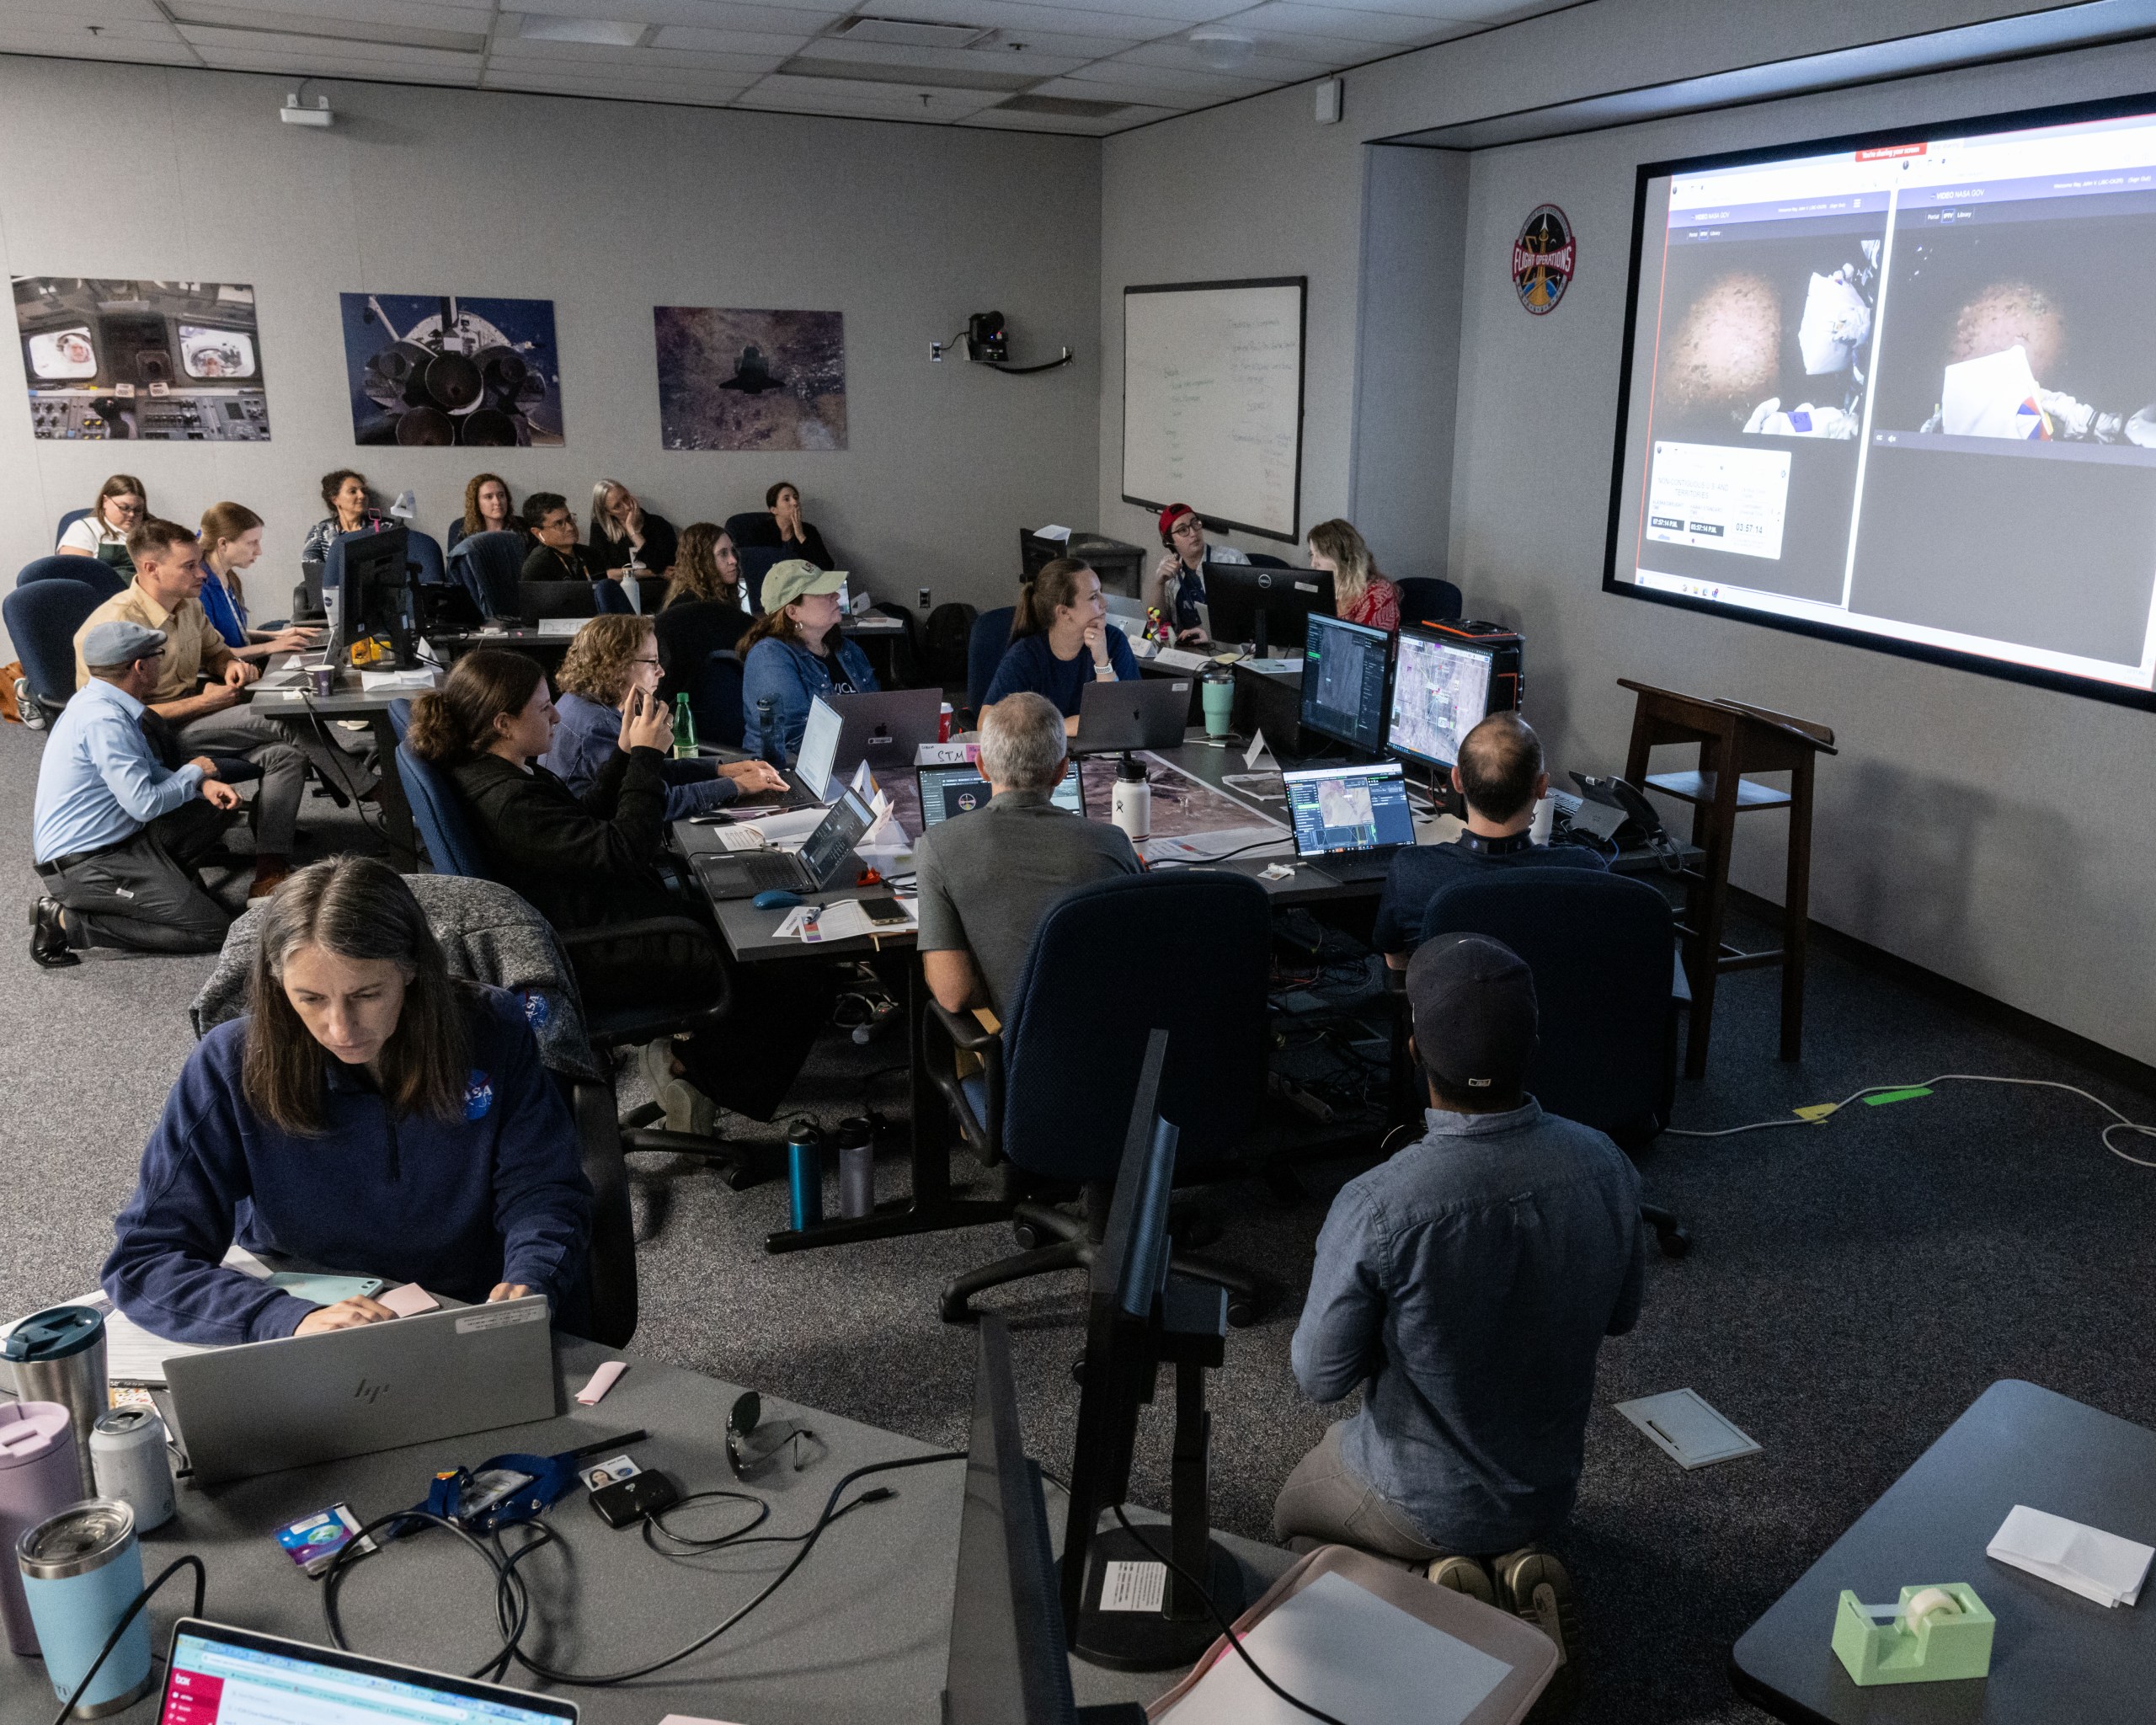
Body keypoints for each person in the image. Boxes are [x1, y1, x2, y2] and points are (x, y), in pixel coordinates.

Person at [1275, 932, 1642, 1698]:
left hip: (1418, 1497)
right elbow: (1621, 1314)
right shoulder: (1606, 1162)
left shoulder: (1379, 1203)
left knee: (1291, 1521)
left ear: (1414, 1050)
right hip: (1548, 1490)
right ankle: (1512, 1566)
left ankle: (1428, 1584)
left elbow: (1319, 1377)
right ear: (1533, 1044)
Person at [101, 857, 594, 1344]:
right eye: (311, 998)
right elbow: (145, 1258)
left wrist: (532, 1276)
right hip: (308, 1296)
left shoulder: (493, 1027)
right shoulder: (230, 1062)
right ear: (278, 983)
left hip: (466, 1301)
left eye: (366, 995)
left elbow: (542, 1188)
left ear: (410, 969)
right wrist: (284, 1318)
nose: (340, 1030)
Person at [407, 651, 822, 1122]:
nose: (557, 715)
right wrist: (646, 757)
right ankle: (698, 1081)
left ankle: (697, 1067)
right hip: (594, 948)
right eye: (543, 708)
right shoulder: (510, 802)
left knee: (749, 925)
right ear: (503, 723)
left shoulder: (500, 768)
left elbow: (582, 821)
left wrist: (625, 753)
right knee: (790, 965)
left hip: (591, 916)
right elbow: (624, 851)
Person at [72, 518, 366, 898]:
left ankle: (269, 869)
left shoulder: (188, 605)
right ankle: (371, 790)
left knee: (285, 756)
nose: (202, 574)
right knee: (280, 719)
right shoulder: (112, 627)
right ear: (151, 568)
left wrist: (230, 666)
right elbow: (114, 719)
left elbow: (217, 653)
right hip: (151, 740)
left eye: (199, 563)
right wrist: (203, 701)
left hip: (197, 718)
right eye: (189, 566)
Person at [30, 619, 243, 964]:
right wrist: (194, 770)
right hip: (88, 866)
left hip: (121, 840)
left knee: (210, 808)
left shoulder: (101, 701)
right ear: (141, 667)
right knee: (215, 931)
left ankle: (167, 890)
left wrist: (201, 784)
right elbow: (145, 804)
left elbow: (147, 772)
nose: (162, 661)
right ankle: (67, 922)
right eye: (159, 655)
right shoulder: (104, 721)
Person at [915, 692, 1139, 1016]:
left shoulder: (938, 846)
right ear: (1062, 771)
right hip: (1124, 1037)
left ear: (982, 767)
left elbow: (954, 994)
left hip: (1029, 1046)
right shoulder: (1114, 842)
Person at [1372, 713, 1606, 964]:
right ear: (1542, 787)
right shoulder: (1586, 870)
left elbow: (1396, 962)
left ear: (1457, 780)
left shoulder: (1411, 870)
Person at [542, 615, 784, 819]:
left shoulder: (578, 702)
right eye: (652, 662)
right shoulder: (598, 726)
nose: (661, 672)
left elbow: (646, 772)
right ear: (617, 666)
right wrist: (737, 786)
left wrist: (721, 770)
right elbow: (654, 802)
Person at [739, 559, 878, 761]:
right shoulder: (768, 656)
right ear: (793, 612)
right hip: (792, 770)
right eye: (823, 593)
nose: (836, 595)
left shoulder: (847, 650)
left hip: (855, 761)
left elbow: (877, 716)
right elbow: (795, 738)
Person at [982, 558, 1138, 731]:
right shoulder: (1026, 655)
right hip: (1044, 747)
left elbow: (1131, 718)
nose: (1104, 603)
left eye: (1100, 592)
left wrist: (1102, 662)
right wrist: (1061, 728)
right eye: (1094, 597)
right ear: (1064, 612)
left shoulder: (1114, 640)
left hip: (1102, 748)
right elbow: (985, 725)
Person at [196, 502, 320, 661]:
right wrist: (270, 646)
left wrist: (277, 636)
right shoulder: (200, 588)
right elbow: (212, 654)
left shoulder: (229, 578)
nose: (259, 551)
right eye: (251, 543)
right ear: (223, 544)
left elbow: (233, 633)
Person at [1146, 502, 1247, 642]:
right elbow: (1155, 626)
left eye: (1195, 524)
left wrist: (1211, 635)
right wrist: (1159, 584)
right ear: (1169, 540)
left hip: (1225, 646)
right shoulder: (1168, 568)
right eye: (1183, 530)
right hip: (1184, 647)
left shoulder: (1232, 560)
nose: (1193, 533)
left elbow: (1248, 618)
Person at [1307, 518, 1400, 631]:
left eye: (1320, 554)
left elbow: (1362, 640)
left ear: (1344, 556)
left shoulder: (1378, 595)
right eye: (1312, 555)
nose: (1313, 564)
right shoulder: (1323, 586)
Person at [588, 478, 678, 595]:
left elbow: (662, 566)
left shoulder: (658, 524)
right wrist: (648, 573)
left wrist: (633, 532)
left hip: (660, 591)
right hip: (621, 593)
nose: (627, 507)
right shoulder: (600, 529)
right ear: (608, 512)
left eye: (626, 498)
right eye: (617, 506)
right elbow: (605, 575)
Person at [57, 475, 147, 574]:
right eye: (124, 508)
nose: (131, 514)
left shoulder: (151, 530)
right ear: (105, 501)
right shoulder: (83, 529)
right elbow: (75, 574)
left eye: (138, 510)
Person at [302, 469, 387, 564]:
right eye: (353, 491)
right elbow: (312, 569)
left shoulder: (385, 527)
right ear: (335, 500)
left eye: (364, 491)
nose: (362, 496)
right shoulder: (320, 532)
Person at [666, 521, 750, 612]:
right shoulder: (687, 606)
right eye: (723, 553)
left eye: (732, 551)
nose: (734, 560)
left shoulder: (725, 595)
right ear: (702, 561)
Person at [521, 493, 595, 585]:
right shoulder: (537, 567)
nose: (570, 528)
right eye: (558, 524)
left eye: (569, 519)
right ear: (537, 533)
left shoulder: (591, 554)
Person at [763, 482, 835, 570]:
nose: (795, 502)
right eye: (787, 499)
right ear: (774, 510)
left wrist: (801, 536)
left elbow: (827, 566)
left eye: (796, 498)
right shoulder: (762, 532)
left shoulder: (809, 530)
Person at [449, 473, 524, 550]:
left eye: (501, 495)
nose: (497, 502)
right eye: (489, 497)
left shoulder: (522, 528)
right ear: (476, 503)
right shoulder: (464, 532)